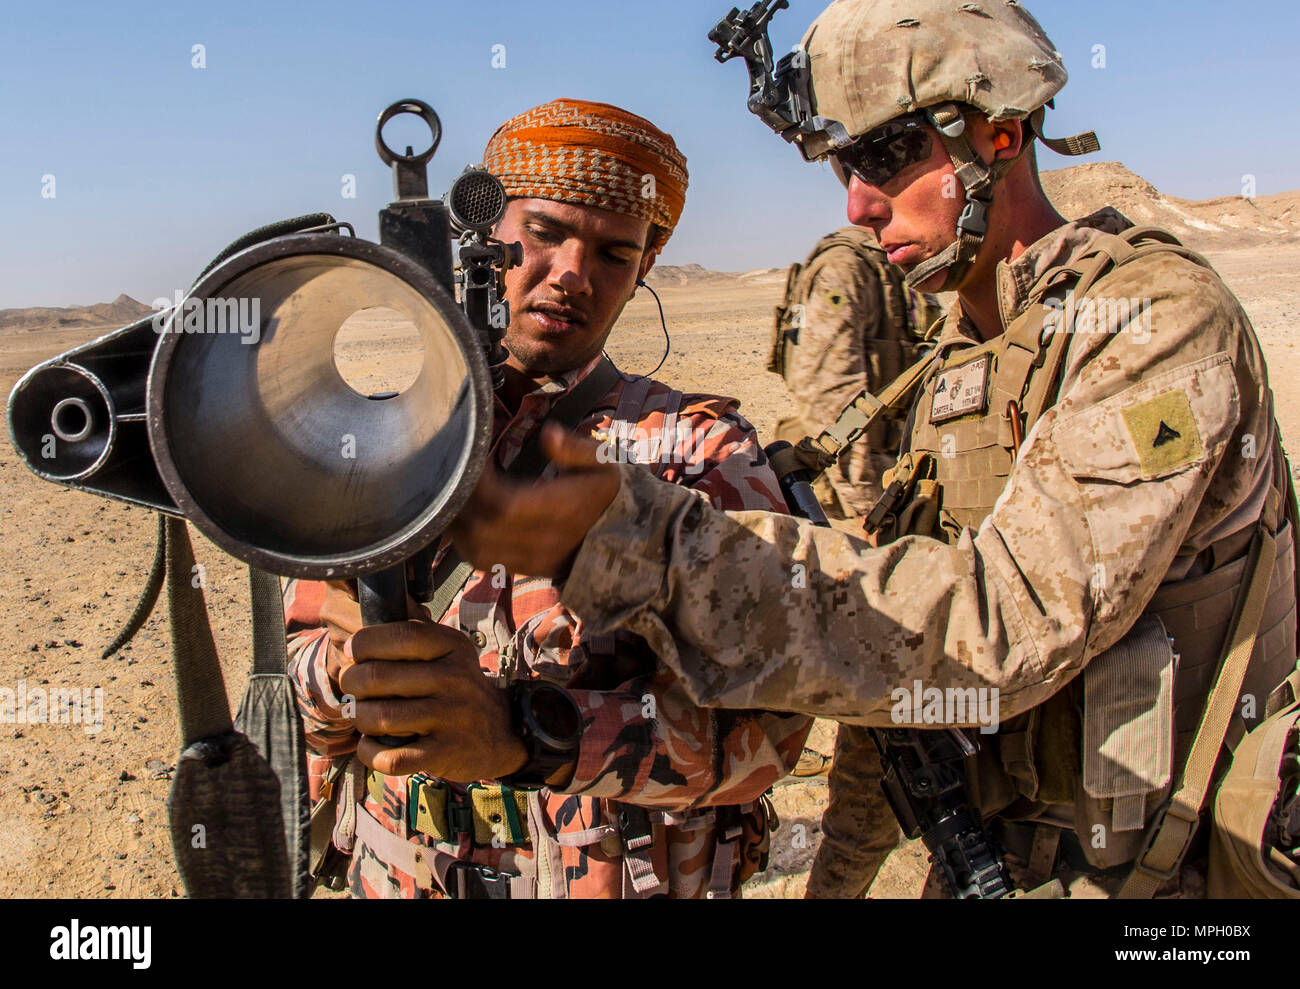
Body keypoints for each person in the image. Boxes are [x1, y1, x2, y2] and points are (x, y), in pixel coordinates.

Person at [448, 1, 1300, 899]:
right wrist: (838, 880)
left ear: (1000, 130)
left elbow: (1001, 622)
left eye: (887, 156)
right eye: (845, 165)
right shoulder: (959, 359)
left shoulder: (1152, 321)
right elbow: (897, 689)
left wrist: (637, 545)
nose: (857, 204)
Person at [286, 98, 809, 899]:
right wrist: (353, 672)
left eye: (612, 253)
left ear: (642, 275)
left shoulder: (696, 450)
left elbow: (766, 735)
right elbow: (300, 693)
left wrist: (526, 735)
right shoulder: (380, 439)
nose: (571, 273)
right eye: (545, 233)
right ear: (486, 236)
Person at [771, 225, 943, 522]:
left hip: (899, 476)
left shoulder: (900, 261)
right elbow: (830, 399)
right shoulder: (843, 267)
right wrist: (869, 513)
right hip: (855, 493)